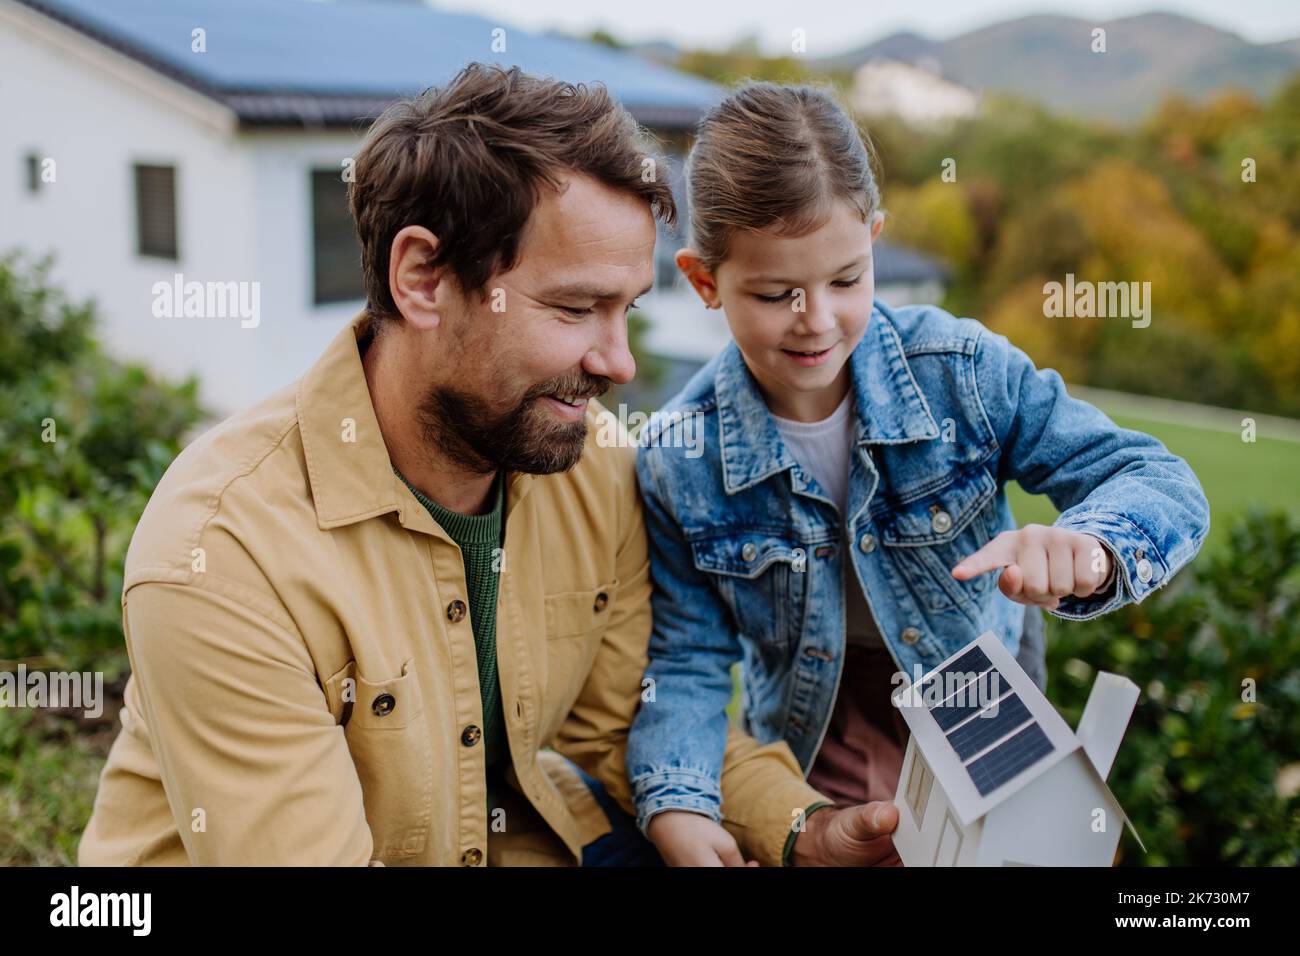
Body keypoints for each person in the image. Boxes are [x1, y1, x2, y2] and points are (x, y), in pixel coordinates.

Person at [77, 64, 896, 867]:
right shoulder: (223, 555)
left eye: (627, 310)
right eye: (576, 308)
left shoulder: (593, 468)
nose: (616, 362)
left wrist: (802, 830)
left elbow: (631, 720)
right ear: (423, 280)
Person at [626, 81, 1210, 866]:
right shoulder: (679, 458)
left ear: (873, 237)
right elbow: (688, 660)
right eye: (776, 294)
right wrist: (680, 800)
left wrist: (1095, 548)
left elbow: (1155, 478)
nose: (819, 319)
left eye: (847, 279)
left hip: (987, 723)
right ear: (704, 281)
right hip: (812, 746)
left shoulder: (962, 374)